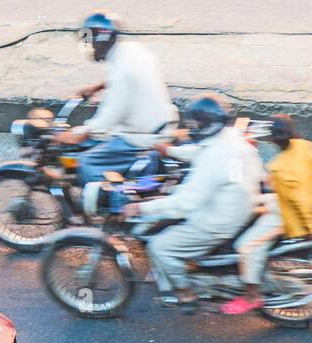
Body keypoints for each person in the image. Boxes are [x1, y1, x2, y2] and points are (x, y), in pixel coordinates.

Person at [123, 95, 263, 310]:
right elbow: (200, 152)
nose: (191, 128)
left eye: (195, 124)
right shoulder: (229, 138)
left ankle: (185, 293)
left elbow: (186, 203)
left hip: (218, 221)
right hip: (242, 203)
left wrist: (141, 207)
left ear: (206, 125)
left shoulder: (214, 157)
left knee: (159, 247)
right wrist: (168, 150)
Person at [223, 114, 312, 316]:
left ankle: (252, 294)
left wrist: (308, 228)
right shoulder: (305, 147)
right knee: (255, 204)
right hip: (307, 206)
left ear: (273, 139)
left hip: (287, 217)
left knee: (245, 247)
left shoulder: (279, 167)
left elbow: (295, 202)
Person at [54, 12, 177, 186]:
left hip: (140, 135)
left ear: (102, 39)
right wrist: (99, 86)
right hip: (160, 120)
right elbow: (130, 79)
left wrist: (79, 134)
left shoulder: (121, 72)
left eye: (91, 40)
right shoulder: (131, 50)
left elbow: (110, 116)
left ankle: (112, 207)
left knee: (87, 163)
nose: (90, 46)